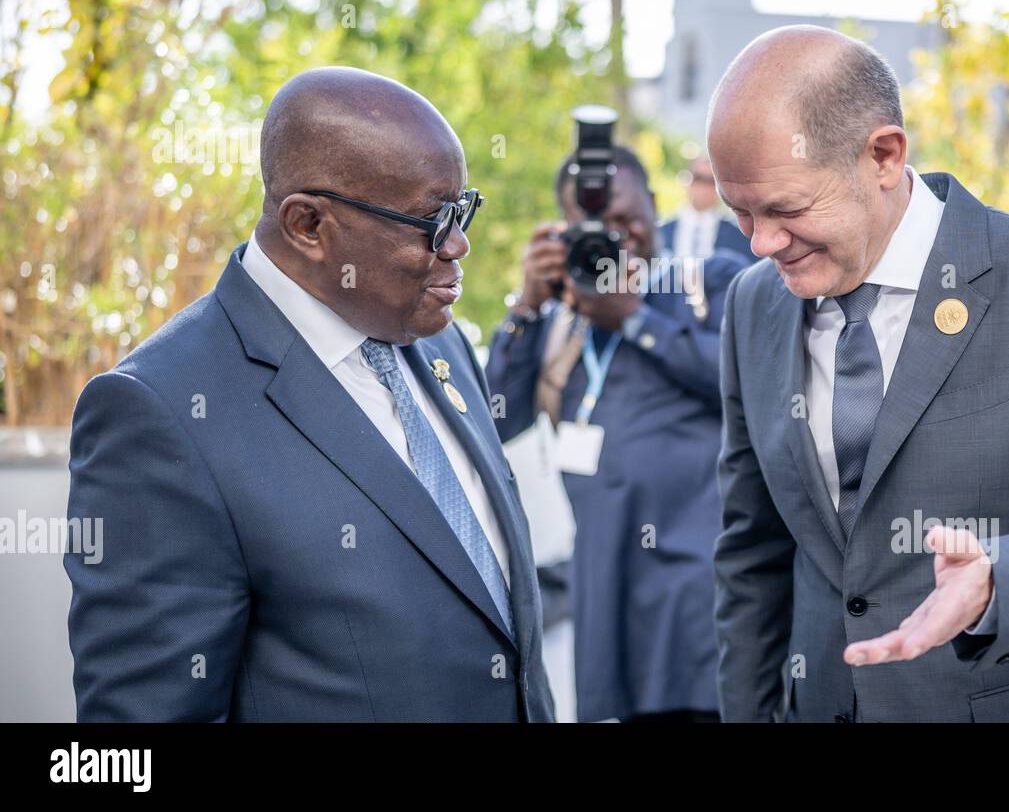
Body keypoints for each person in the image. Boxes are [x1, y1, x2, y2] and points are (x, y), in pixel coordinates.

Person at [708, 25, 1009, 722]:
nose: (763, 244)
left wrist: (1002, 581)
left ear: (883, 155)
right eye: (742, 215)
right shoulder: (754, 302)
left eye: (787, 210)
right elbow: (750, 551)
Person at [65, 67, 554, 721]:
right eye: (432, 221)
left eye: (463, 209)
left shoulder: (439, 343)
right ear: (309, 227)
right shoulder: (162, 414)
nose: (458, 245)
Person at [486, 146, 747, 722]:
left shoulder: (707, 284)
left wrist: (634, 319)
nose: (616, 241)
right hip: (606, 589)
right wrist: (526, 306)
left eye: (627, 221)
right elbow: (495, 420)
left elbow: (745, 381)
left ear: (656, 207)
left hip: (699, 593)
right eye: (596, 230)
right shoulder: (561, 319)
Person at [660, 154, 754, 263]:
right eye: (698, 178)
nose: (703, 187)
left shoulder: (740, 235)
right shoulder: (661, 230)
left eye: (711, 180)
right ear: (687, 180)